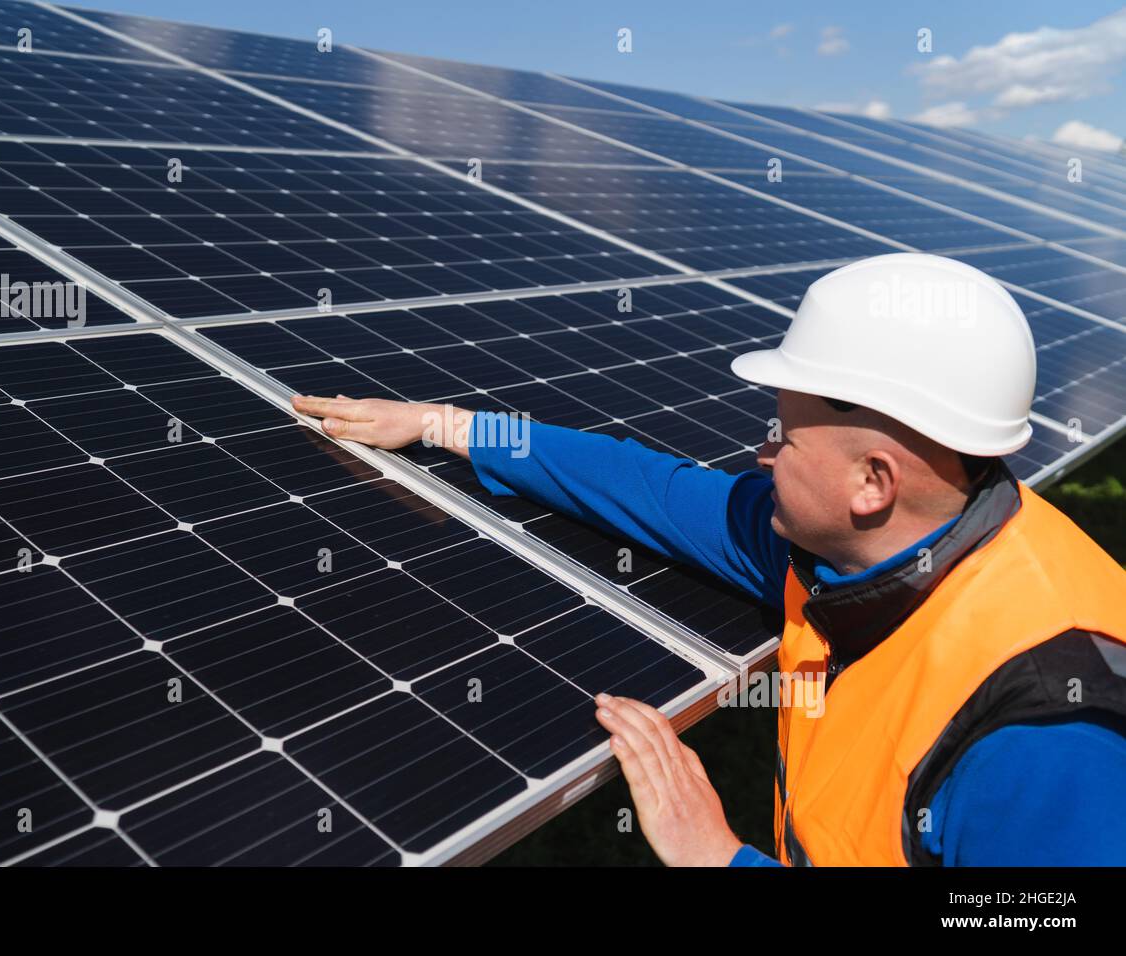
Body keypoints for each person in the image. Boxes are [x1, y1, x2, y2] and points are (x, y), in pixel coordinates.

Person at [291, 253, 1126, 866]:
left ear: (873, 481)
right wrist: (448, 425)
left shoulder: (1047, 732)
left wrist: (717, 859)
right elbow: (645, 487)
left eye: (784, 436)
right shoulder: (857, 543)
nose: (760, 455)